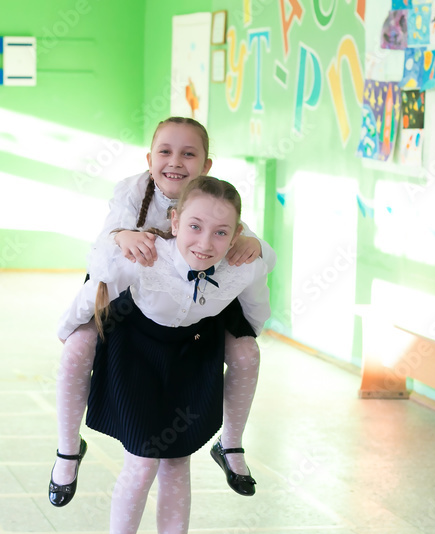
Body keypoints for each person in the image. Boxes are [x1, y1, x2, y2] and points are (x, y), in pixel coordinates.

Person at [57, 175, 271, 534]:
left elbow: (255, 311)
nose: (206, 242)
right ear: (173, 222)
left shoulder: (242, 264)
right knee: (140, 467)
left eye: (221, 232)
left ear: (238, 235)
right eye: (194, 227)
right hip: (137, 356)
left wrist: (240, 344)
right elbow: (98, 280)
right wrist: (68, 331)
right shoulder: (145, 258)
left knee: (177, 468)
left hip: (192, 358)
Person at [49, 117, 276, 507]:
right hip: (128, 284)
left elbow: (251, 245)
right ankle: (68, 450)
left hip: (197, 294)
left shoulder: (212, 200)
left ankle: (231, 444)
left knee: (246, 353)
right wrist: (121, 235)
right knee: (75, 349)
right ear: (150, 158)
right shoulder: (132, 191)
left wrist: (255, 246)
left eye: (189, 154)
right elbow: (101, 257)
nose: (176, 162)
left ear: (206, 165)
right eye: (165, 152)